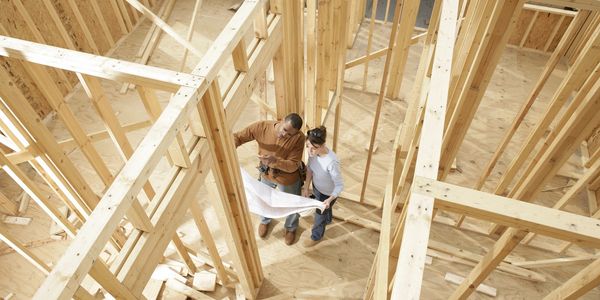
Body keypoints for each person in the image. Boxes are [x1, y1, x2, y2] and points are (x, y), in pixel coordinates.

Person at [233, 113, 306, 245]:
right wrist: (231, 146)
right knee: (263, 198)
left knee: (292, 204)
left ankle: (291, 227)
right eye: (284, 130)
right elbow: (238, 137)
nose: (285, 135)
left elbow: (293, 166)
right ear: (282, 120)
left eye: (290, 134)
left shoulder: (299, 138)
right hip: (266, 174)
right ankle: (265, 219)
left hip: (287, 178)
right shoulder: (261, 127)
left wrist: (275, 161)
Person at [302, 126, 343, 247]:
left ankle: (316, 237)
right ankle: (328, 220)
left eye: (313, 148)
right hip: (317, 187)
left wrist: (330, 199)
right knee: (326, 211)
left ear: (323, 145)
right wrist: (306, 187)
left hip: (328, 194)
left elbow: (340, 185)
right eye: (308, 146)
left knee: (319, 216)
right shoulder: (313, 153)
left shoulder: (331, 162)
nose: (310, 151)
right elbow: (310, 169)